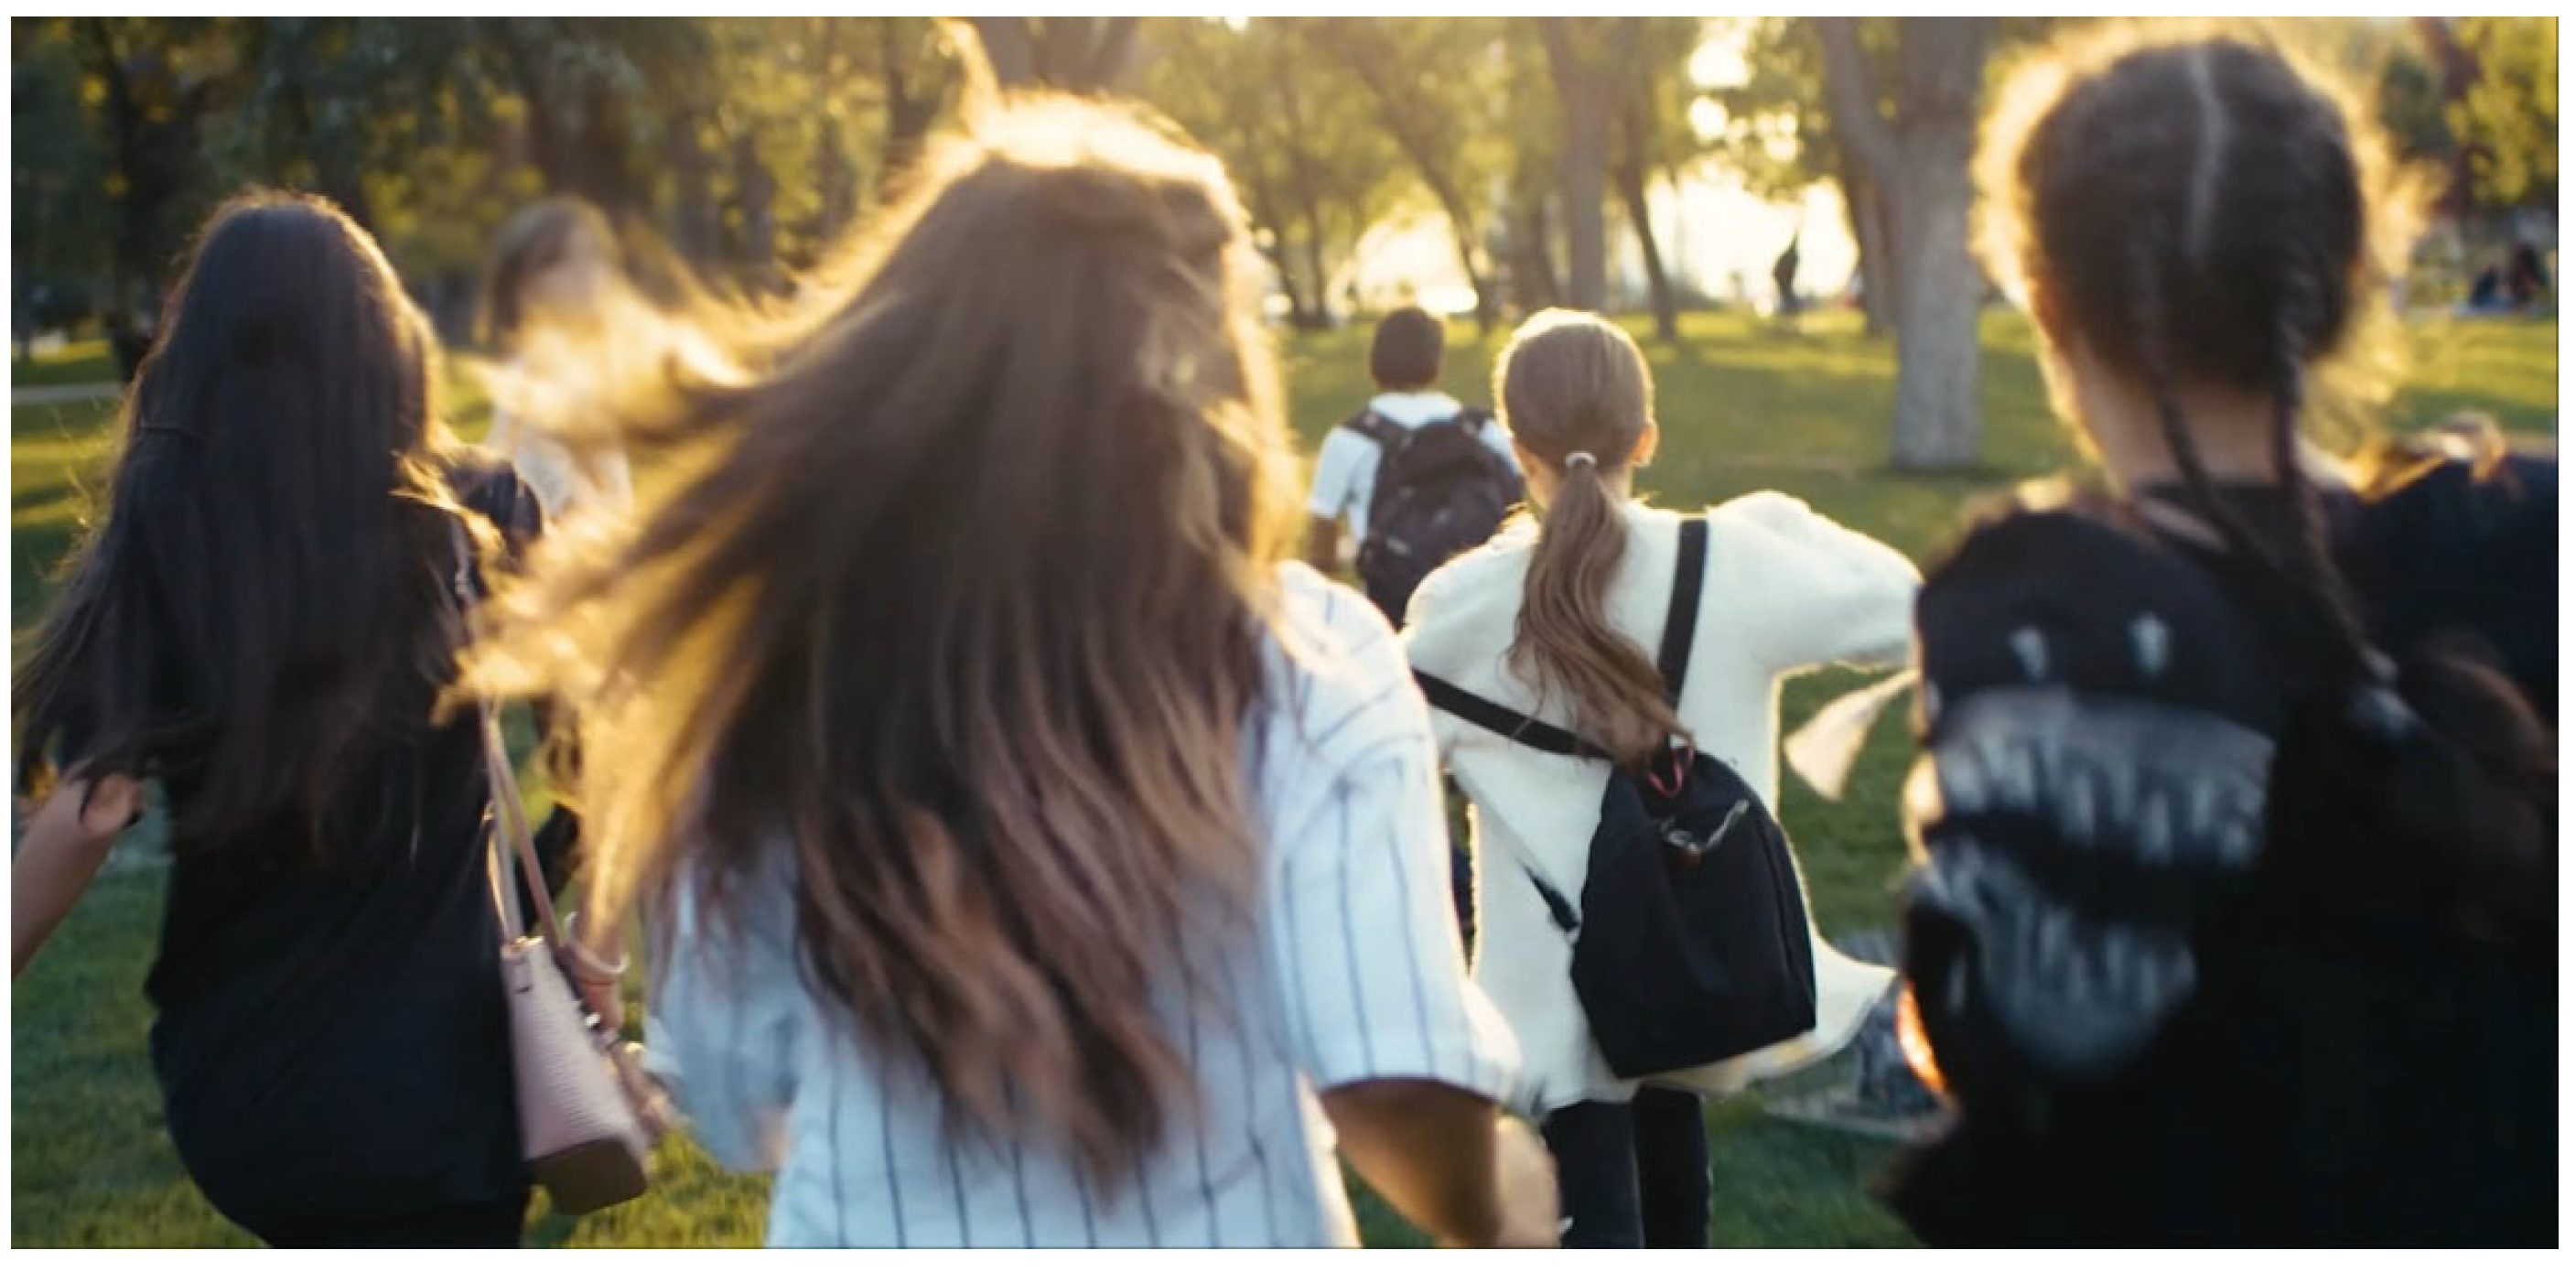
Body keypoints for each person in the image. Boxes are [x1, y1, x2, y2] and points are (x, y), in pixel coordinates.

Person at [458, 96, 1559, 1249]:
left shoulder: (786, 672)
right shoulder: (1310, 662)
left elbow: (738, 1094)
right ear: (1212, 382)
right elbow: (1391, 1077)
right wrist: (1502, 1207)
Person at [1883, 30, 2556, 1245]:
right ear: (2347, 275)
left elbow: (2000, 1048)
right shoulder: (2524, 548)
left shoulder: (2038, 619)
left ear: (2042, 298)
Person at [10, 192, 584, 1246]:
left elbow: (90, 812)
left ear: (204, 350)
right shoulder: (482, 514)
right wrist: (582, 927)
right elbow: (592, 755)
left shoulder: (171, 519)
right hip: (452, 1096)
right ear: (388, 342)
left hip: (251, 1091)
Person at [1404, 309, 1918, 1247]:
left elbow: (1389, 767)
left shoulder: (1456, 607)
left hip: (1550, 1018)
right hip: (1699, 979)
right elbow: (1906, 607)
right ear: (1646, 436)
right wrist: (1785, 521)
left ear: (1515, 445)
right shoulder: (1730, 562)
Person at [1302, 305, 1523, 625]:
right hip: (1480, 612)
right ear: (1436, 362)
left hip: (1391, 616)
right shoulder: (1485, 431)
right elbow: (1515, 514)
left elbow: (1321, 549)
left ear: (1374, 363)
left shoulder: (1351, 438)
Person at [477, 195, 638, 524]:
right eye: (562, 261)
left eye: (596, 255)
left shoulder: (590, 380)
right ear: (523, 287)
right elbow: (566, 516)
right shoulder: (536, 387)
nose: (588, 273)